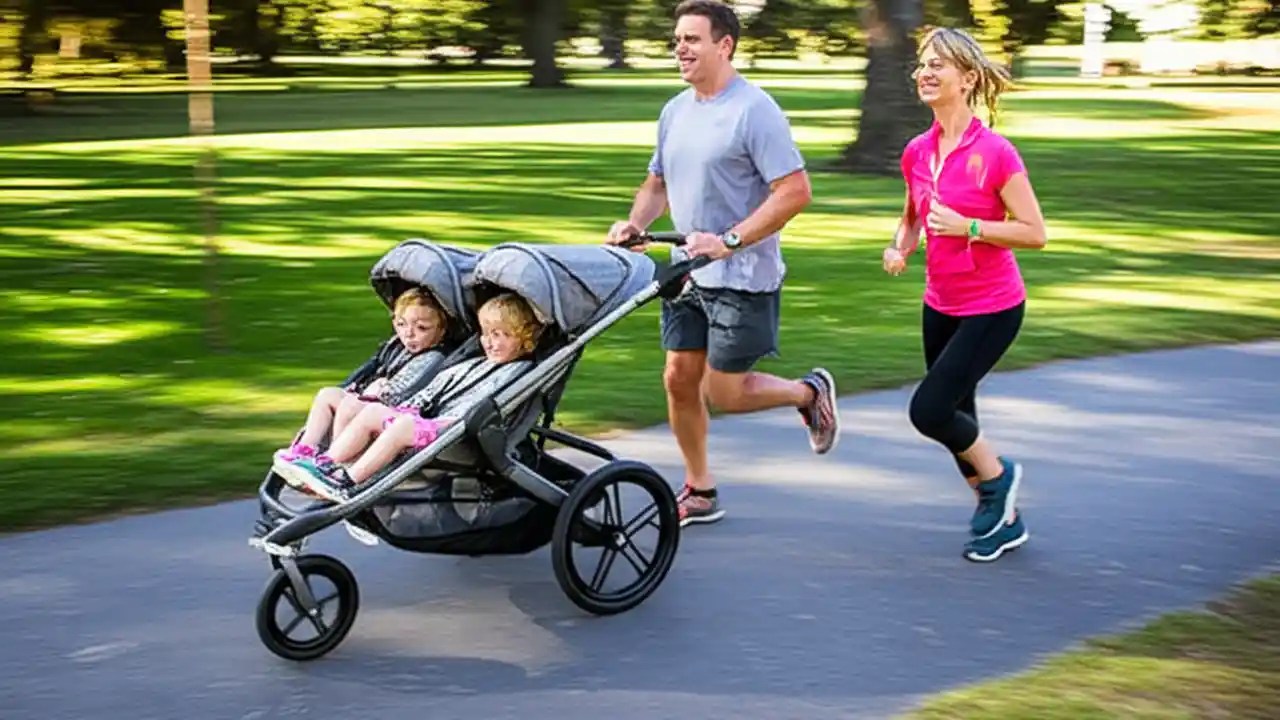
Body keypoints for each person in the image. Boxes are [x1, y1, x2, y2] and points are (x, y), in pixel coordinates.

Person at [606, 0, 839, 528]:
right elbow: (657, 183)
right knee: (678, 378)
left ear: (724, 45)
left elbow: (795, 191)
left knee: (725, 391)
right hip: (684, 270)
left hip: (740, 275)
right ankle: (700, 488)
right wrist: (634, 224)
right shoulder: (675, 110)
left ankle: (808, 393)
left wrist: (730, 240)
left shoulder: (755, 110)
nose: (680, 49)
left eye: (691, 39)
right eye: (677, 40)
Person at [883, 27, 1047, 563]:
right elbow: (915, 215)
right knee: (961, 426)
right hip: (940, 303)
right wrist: (900, 246)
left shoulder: (995, 152)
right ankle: (1003, 520)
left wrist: (970, 228)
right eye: (922, 65)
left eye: (939, 65)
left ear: (968, 79)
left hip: (993, 307)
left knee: (930, 411)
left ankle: (1003, 479)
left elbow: (1033, 232)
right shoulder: (917, 151)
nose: (924, 72)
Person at [277, 293, 543, 502]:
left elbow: (480, 405)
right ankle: (326, 464)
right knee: (373, 413)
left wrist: (432, 420)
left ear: (525, 338)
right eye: (486, 334)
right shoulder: (477, 363)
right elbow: (439, 384)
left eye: (500, 335)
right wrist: (409, 408)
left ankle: (347, 483)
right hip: (427, 421)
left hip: (458, 433)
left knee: (402, 424)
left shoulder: (520, 371)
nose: (489, 343)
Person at [272, 288, 449, 476]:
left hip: (398, 412)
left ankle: (334, 462)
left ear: (441, 329)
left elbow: (397, 394)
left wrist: (374, 390)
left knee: (350, 405)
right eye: (401, 324)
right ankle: (305, 450)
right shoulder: (399, 348)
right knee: (328, 394)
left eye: (421, 328)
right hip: (375, 401)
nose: (409, 334)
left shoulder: (433, 358)